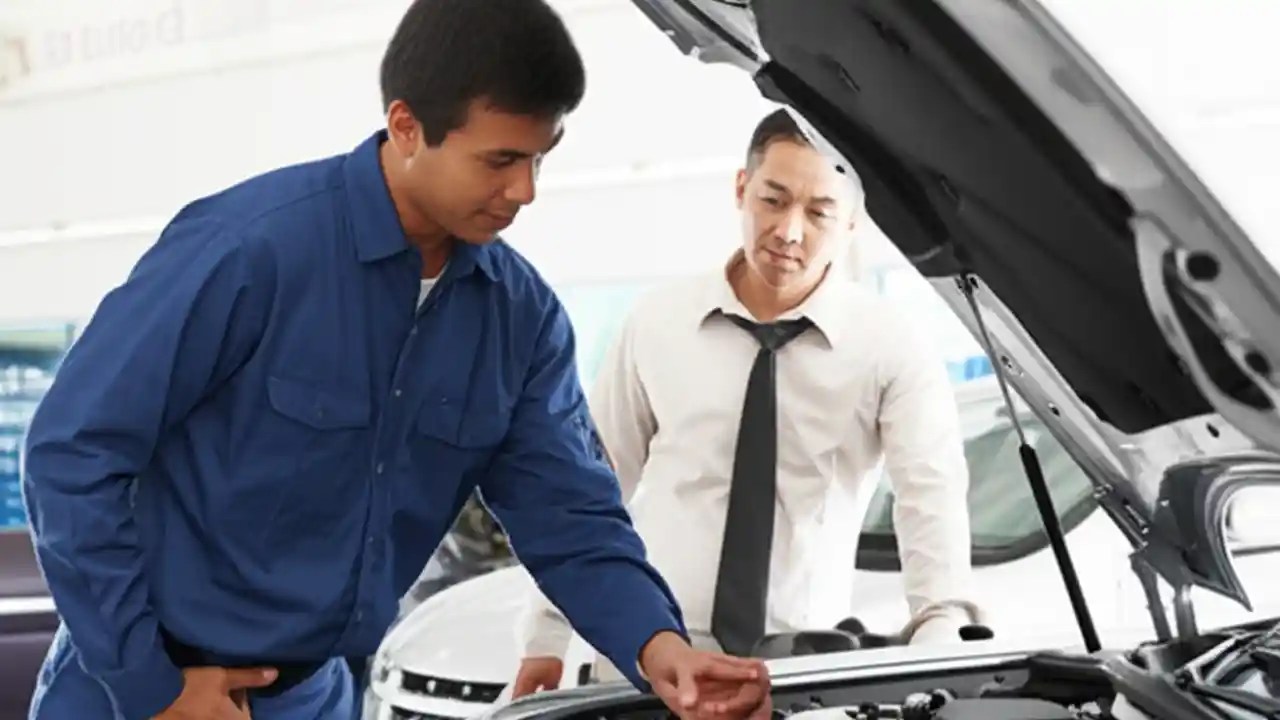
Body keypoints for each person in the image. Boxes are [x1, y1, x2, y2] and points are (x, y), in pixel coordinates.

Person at [19, 1, 772, 719]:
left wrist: (659, 645)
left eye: (542, 157)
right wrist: (149, 683)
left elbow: (569, 515)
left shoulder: (520, 320)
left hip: (313, 697)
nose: (526, 191)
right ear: (407, 127)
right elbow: (71, 453)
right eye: (500, 159)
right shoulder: (245, 251)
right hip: (139, 692)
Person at [512, 110, 978, 694]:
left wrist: (942, 624)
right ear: (741, 188)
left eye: (818, 212)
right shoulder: (658, 322)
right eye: (774, 200)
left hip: (801, 671)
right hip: (653, 658)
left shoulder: (891, 345)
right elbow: (592, 486)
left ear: (853, 220)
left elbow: (929, 498)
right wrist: (545, 638)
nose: (788, 231)